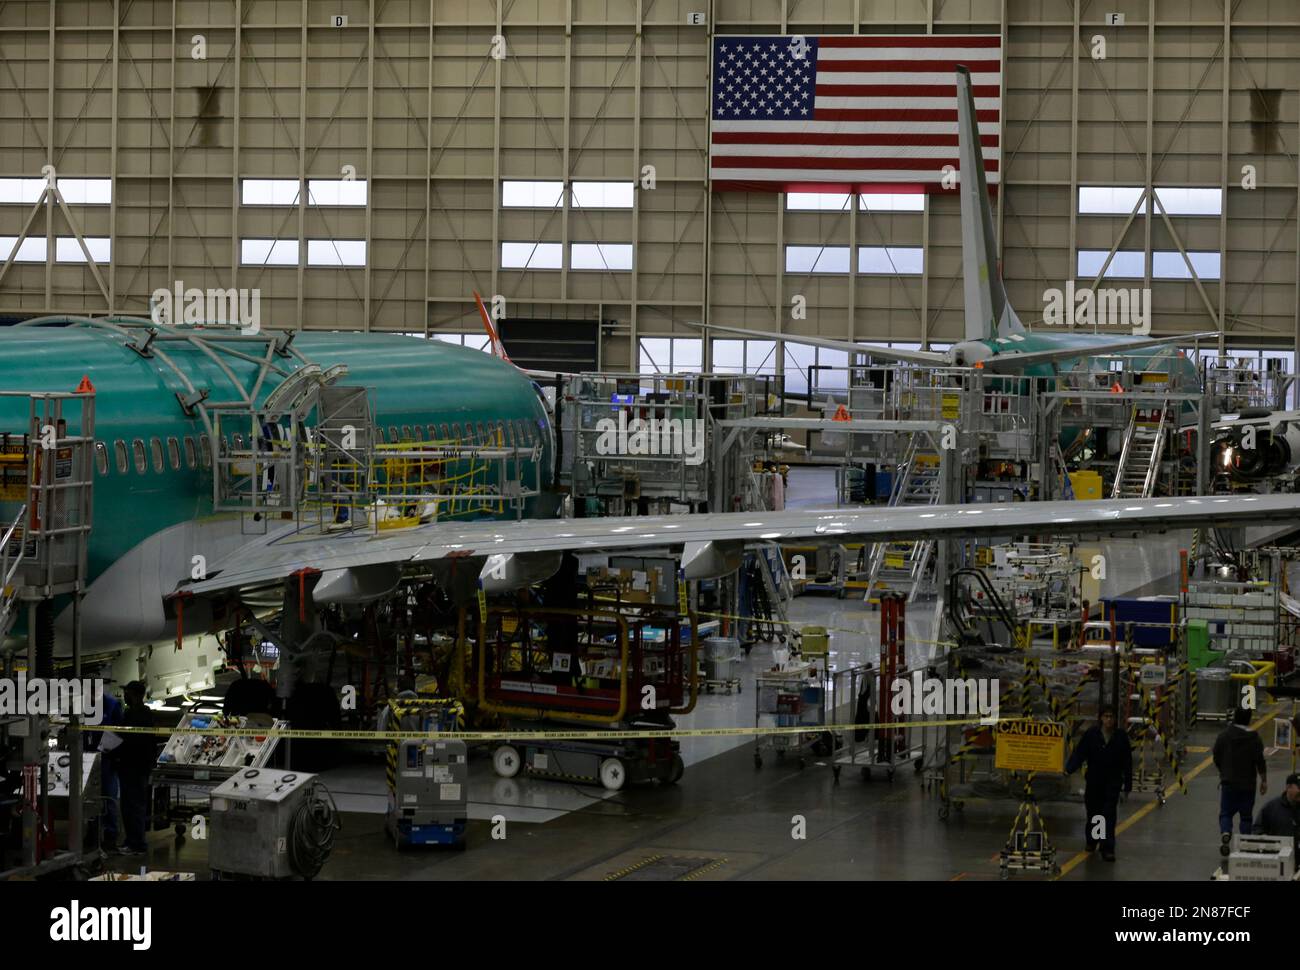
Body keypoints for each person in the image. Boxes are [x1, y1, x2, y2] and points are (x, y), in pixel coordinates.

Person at [1065, 705, 1132, 861]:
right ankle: (1093, 840)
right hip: (1095, 780)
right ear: (1101, 718)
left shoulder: (1121, 736)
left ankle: (1107, 847)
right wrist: (1069, 769)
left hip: (1112, 782)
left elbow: (1127, 762)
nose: (1109, 720)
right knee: (1094, 813)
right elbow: (1080, 753)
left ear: (1115, 719)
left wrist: (1127, 785)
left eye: (1111, 717)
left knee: (1108, 814)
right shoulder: (1092, 735)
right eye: (1106, 716)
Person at [116, 681, 157, 856]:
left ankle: (137, 844)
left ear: (134, 695)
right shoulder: (146, 714)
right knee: (134, 805)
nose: (125, 696)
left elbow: (127, 740)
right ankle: (132, 841)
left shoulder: (134, 715)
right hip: (139, 766)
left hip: (133, 766)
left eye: (127, 693)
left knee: (132, 806)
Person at [1212, 707, 1267, 836]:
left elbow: (1216, 756)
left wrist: (1223, 772)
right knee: (1246, 816)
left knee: (1226, 813)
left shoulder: (1224, 736)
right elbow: (1260, 761)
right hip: (1248, 784)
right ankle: (1245, 840)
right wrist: (1264, 780)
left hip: (1228, 782)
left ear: (1235, 717)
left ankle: (1226, 832)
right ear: (1249, 719)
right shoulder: (1254, 738)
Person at [85, 687, 124, 852]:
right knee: (91, 797)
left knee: (108, 797)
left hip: (107, 758)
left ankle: (110, 835)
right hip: (89, 757)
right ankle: (92, 833)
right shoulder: (84, 704)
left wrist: (111, 753)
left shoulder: (112, 705)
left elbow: (119, 731)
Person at [1253, 773, 1300, 854]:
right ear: (1288, 787)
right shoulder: (1271, 808)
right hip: (1278, 857)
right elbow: (1257, 829)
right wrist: (1263, 837)